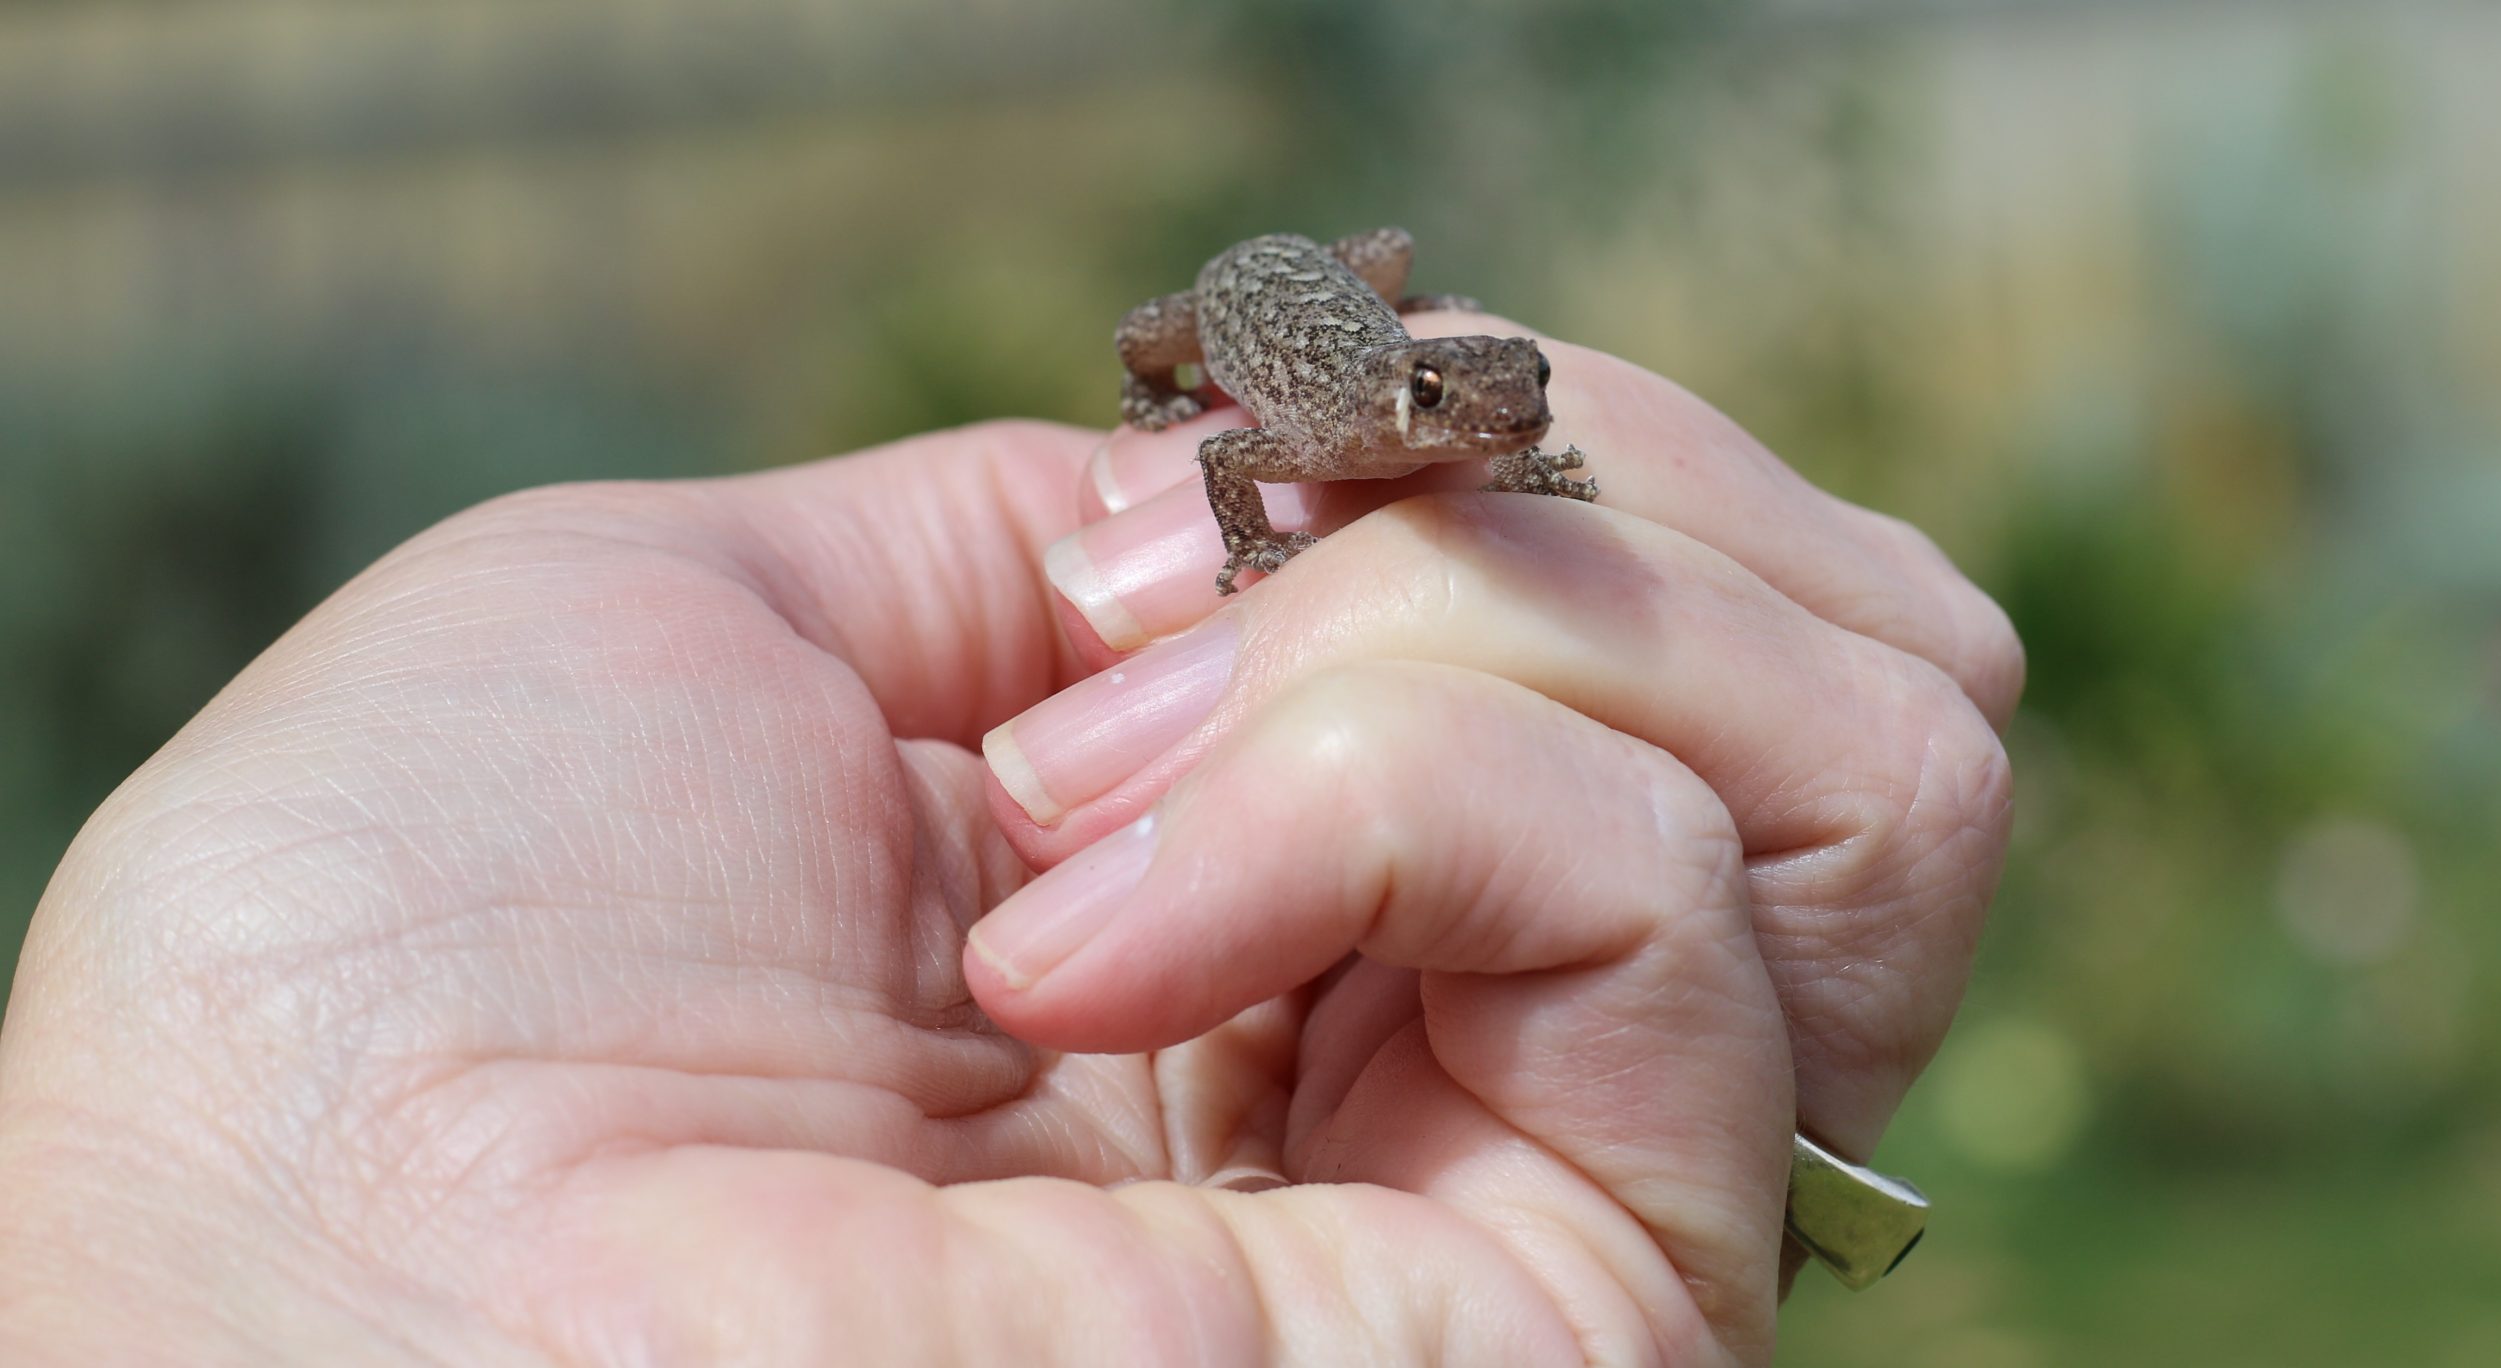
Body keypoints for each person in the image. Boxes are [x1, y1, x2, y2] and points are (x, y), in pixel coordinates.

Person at [0, 312, 2021, 1365]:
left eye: (1501, 437)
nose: (1483, 456)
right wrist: (226, 1247)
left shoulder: (1463, 428)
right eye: (1450, 417)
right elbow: (1233, 448)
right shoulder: (1295, 411)